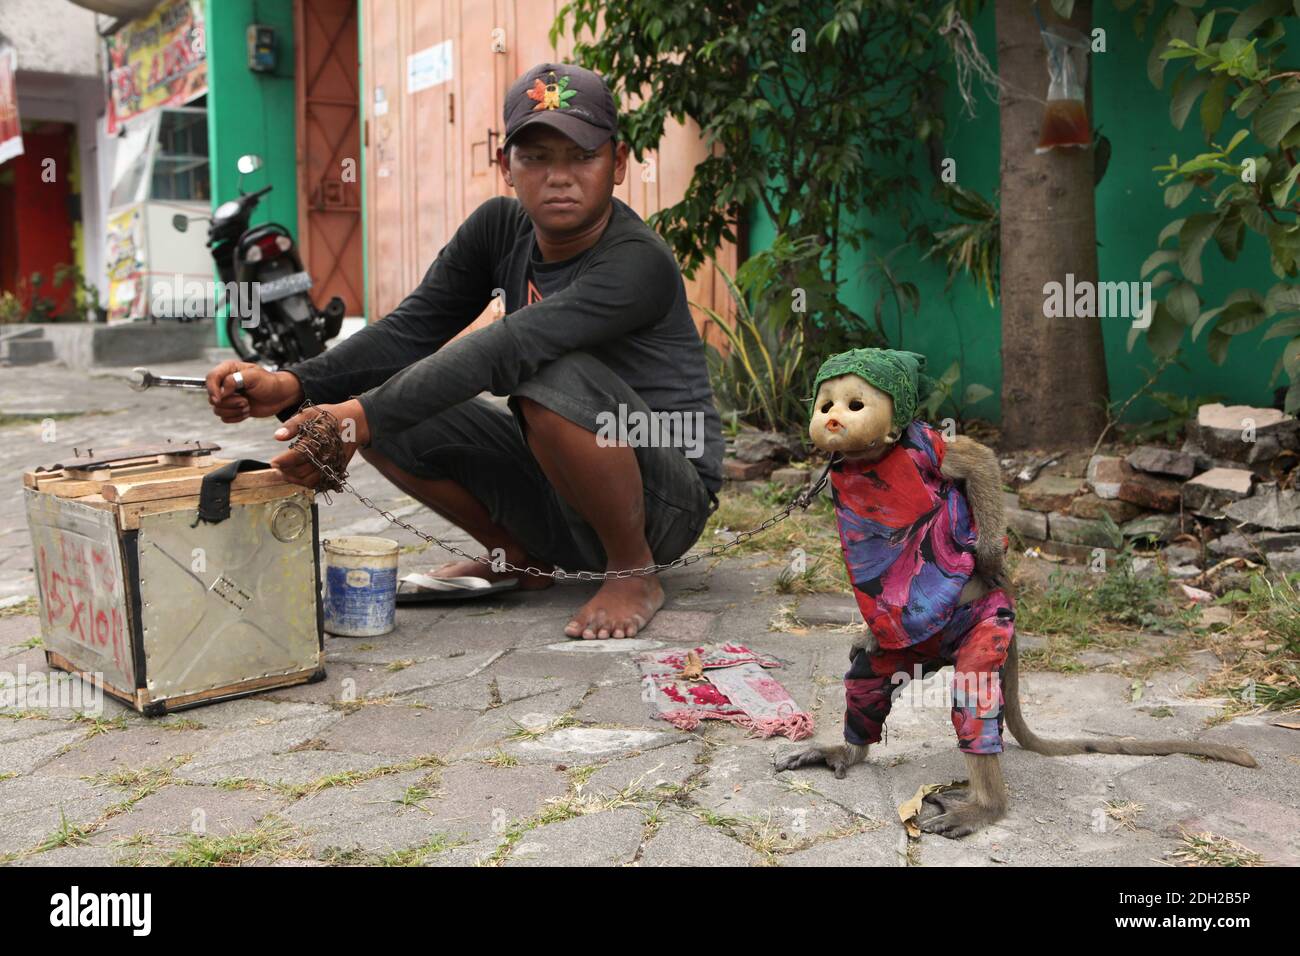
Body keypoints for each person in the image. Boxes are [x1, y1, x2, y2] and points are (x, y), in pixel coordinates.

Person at [204, 62, 723, 640]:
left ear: (618, 163)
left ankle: (632, 571)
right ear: (506, 166)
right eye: (536, 157)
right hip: (559, 481)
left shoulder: (636, 261)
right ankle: (519, 558)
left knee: (544, 371)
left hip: (667, 500)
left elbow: (507, 347)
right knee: (383, 396)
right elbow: (410, 331)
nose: (560, 177)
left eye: (582, 156)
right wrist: (293, 384)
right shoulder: (499, 229)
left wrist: (355, 421)